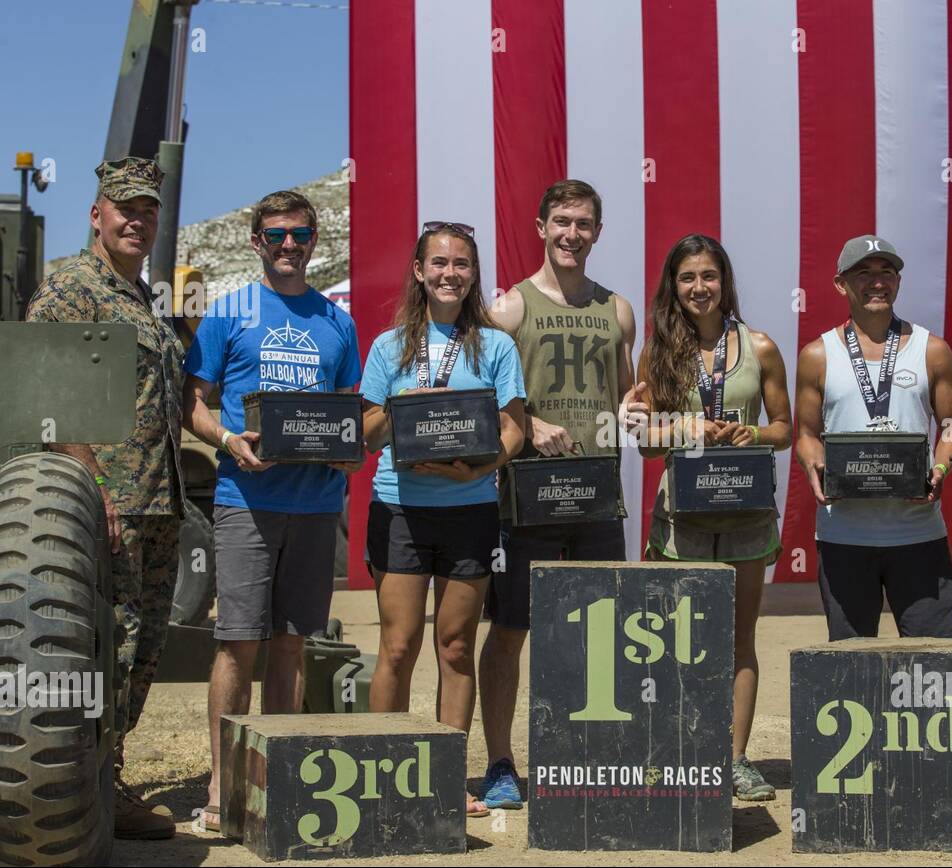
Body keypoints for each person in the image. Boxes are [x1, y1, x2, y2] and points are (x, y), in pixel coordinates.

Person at [182, 190, 363, 833]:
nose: (290, 245)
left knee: (289, 644)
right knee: (237, 645)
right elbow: (193, 404)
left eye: (301, 234)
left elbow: (349, 411)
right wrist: (227, 439)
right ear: (257, 241)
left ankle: (274, 777)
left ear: (314, 240)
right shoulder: (226, 314)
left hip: (315, 505)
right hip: (244, 501)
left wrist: (349, 451)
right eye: (278, 234)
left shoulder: (338, 323)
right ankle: (225, 781)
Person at [25, 157, 184, 839]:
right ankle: (79, 789)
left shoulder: (138, 295)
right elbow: (46, 393)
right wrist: (90, 481)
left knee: (141, 647)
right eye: (125, 208)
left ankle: (105, 775)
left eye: (148, 210)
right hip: (107, 503)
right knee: (104, 648)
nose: (137, 220)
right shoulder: (73, 289)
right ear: (97, 215)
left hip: (155, 504)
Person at [478, 180, 646, 810]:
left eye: (584, 223)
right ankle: (500, 762)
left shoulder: (619, 310)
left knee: (599, 630)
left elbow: (631, 394)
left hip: (597, 494)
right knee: (513, 628)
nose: (572, 233)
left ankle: (586, 760)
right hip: (528, 497)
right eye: (561, 222)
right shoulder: (510, 309)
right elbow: (485, 392)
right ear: (540, 227)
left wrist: (636, 409)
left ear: (598, 232)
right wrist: (526, 421)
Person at [360, 222, 526, 817]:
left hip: (470, 510)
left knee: (455, 647)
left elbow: (514, 429)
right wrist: (395, 411)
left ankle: (445, 778)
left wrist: (481, 466)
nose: (449, 273)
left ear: (474, 273)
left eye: (461, 263)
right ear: (418, 271)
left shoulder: (496, 345)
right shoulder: (388, 345)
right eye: (438, 263)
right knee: (398, 646)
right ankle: (383, 773)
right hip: (400, 508)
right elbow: (366, 431)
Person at [635, 234, 792, 801]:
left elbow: (784, 428)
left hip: (746, 511)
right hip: (681, 518)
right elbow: (645, 443)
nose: (699, 288)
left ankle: (734, 758)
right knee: (676, 640)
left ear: (725, 281)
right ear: (672, 288)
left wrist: (750, 432)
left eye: (709, 276)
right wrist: (687, 428)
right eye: (687, 278)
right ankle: (682, 754)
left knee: (738, 639)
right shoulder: (657, 354)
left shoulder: (761, 346)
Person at [795, 235, 952, 642]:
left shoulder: (932, 349)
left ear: (898, 281)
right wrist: (815, 464)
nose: (877, 282)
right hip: (844, 535)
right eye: (864, 274)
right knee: (851, 667)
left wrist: (941, 468)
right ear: (841, 284)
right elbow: (805, 435)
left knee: (937, 663)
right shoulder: (817, 355)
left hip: (918, 533)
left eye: (886, 272)